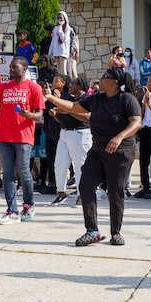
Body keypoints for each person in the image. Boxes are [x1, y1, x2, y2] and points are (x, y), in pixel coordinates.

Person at [45, 68, 142, 245]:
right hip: (98, 151)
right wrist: (51, 98)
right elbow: (73, 107)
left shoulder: (127, 99)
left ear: (114, 82)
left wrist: (120, 136)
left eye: (105, 77)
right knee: (85, 185)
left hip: (120, 152)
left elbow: (136, 122)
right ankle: (93, 231)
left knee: (115, 192)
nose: (101, 78)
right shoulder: (96, 98)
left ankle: (116, 232)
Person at [0, 56, 44, 224]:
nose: (10, 69)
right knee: (8, 174)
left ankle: (29, 205)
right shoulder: (3, 87)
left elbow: (39, 114)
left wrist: (28, 115)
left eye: (14, 67)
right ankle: (12, 211)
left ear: (24, 70)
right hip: (3, 136)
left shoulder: (34, 88)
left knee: (23, 172)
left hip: (24, 137)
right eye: (10, 67)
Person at [49, 76, 91, 206]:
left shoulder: (86, 99)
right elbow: (63, 119)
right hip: (65, 133)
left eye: (73, 84)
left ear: (80, 86)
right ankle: (61, 194)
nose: (70, 86)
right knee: (59, 165)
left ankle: (82, 196)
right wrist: (56, 114)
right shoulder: (71, 100)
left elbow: (87, 117)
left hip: (79, 134)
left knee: (80, 166)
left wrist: (69, 111)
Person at [49, 12, 78, 79]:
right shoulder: (55, 28)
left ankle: (65, 84)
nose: (59, 20)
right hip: (56, 52)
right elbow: (53, 42)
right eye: (58, 18)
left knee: (63, 70)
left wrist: (60, 29)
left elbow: (64, 39)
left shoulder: (68, 28)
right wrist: (50, 53)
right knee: (58, 71)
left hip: (63, 52)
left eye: (61, 18)